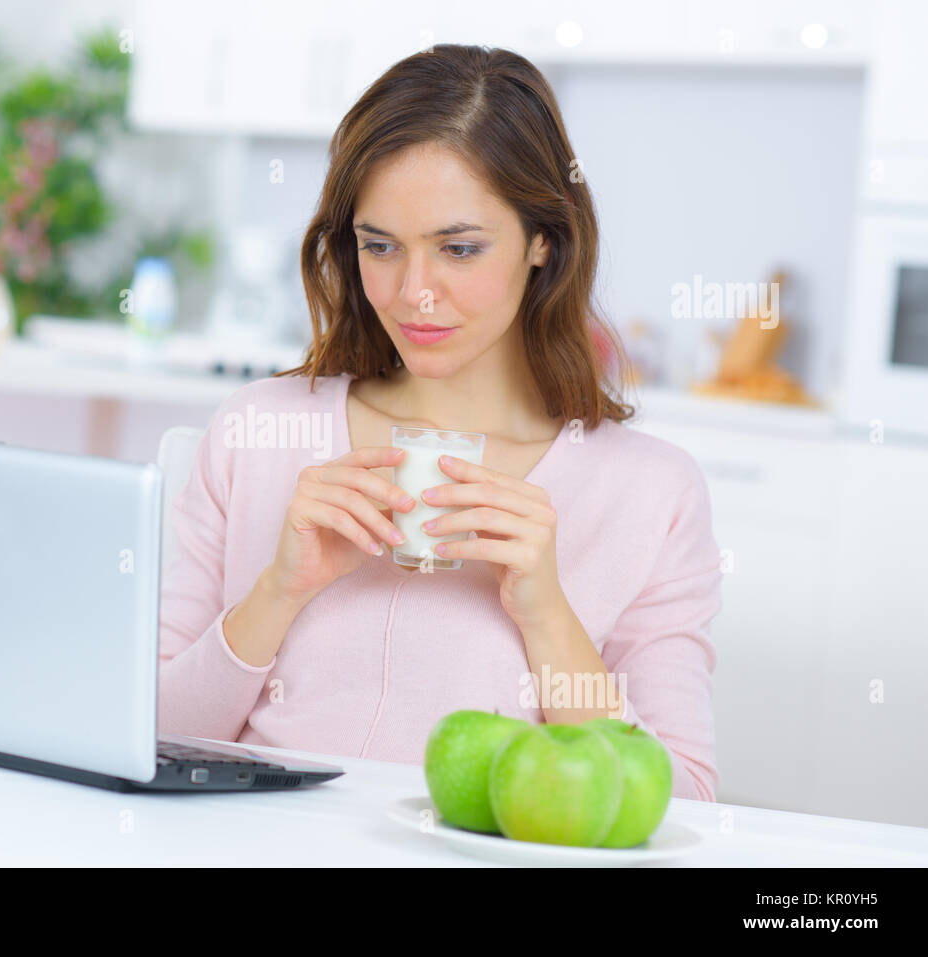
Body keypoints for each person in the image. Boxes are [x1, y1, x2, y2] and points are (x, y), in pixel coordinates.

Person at [157, 45, 722, 801]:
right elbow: (143, 733)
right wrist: (277, 593)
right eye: (380, 246)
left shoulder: (651, 492)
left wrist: (546, 612)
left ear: (543, 241)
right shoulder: (256, 431)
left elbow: (684, 801)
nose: (414, 292)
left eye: (459, 248)